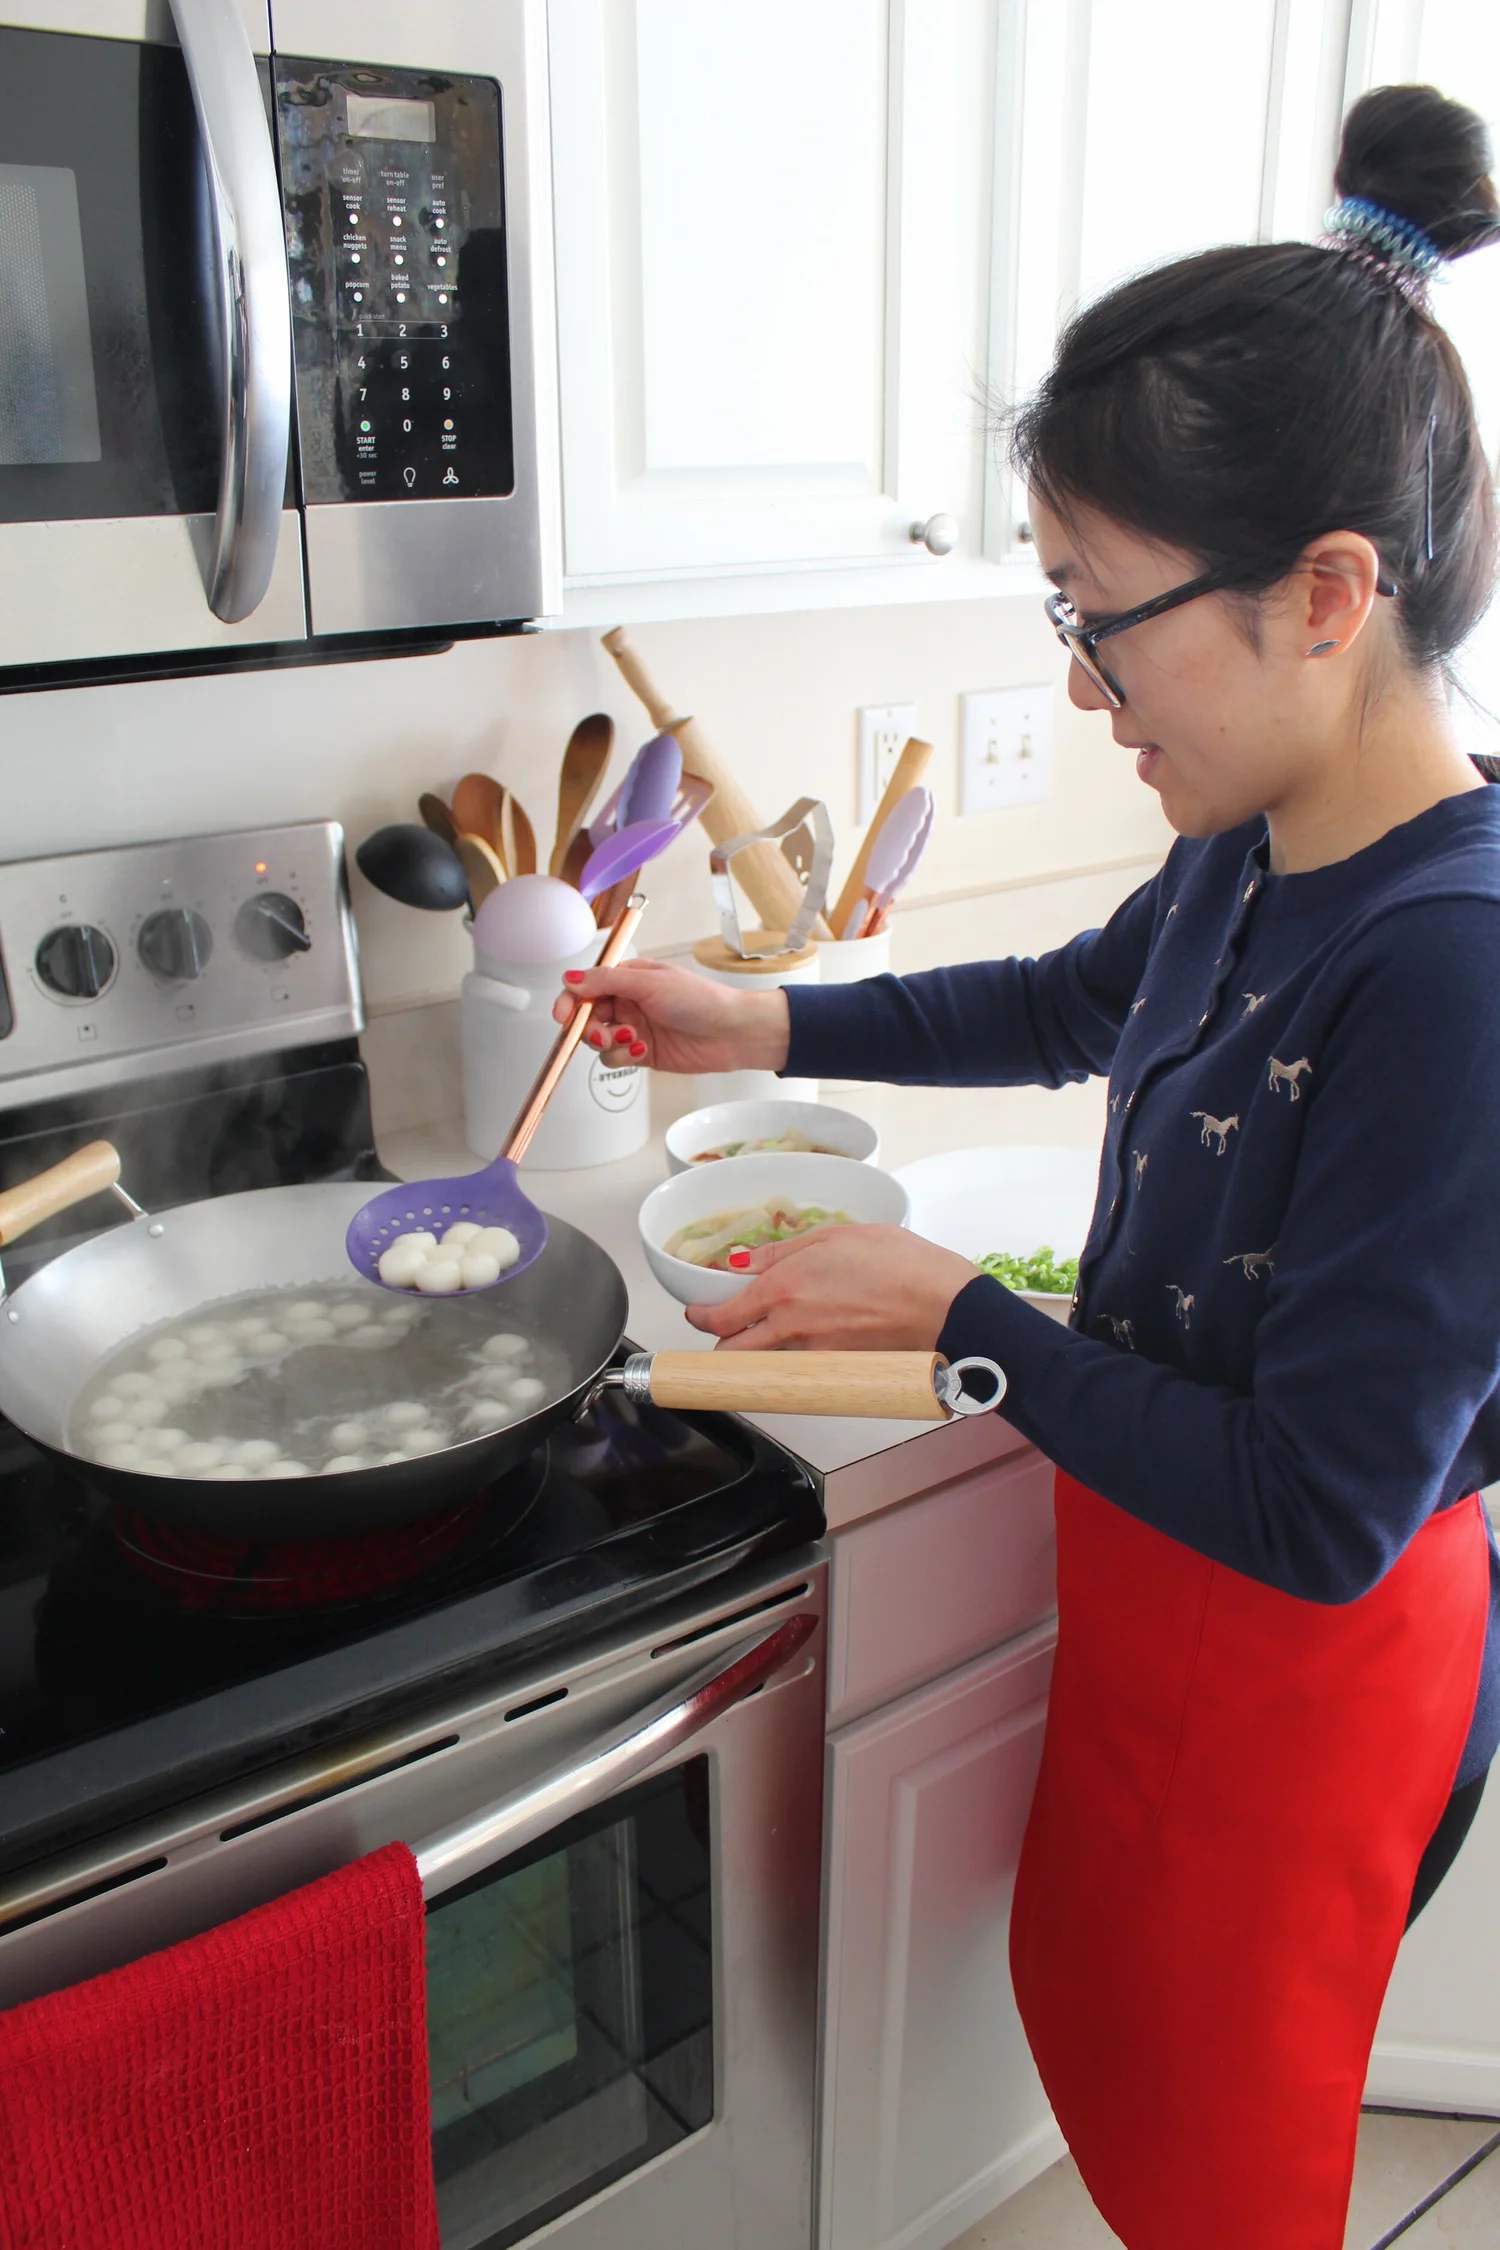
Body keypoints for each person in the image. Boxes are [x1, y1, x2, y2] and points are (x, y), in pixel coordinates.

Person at [558, 84, 1500, 2250]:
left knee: (1225, 2176)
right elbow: (1075, 1001)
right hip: (1153, 1606)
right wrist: (764, 1015)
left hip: (1306, 1682)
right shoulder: (1259, 832)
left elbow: (1327, 1507)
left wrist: (962, 1326)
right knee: (1092, 2026)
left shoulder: (1454, 972)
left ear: (1327, 594)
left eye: (1098, 616)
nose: (1080, 685)